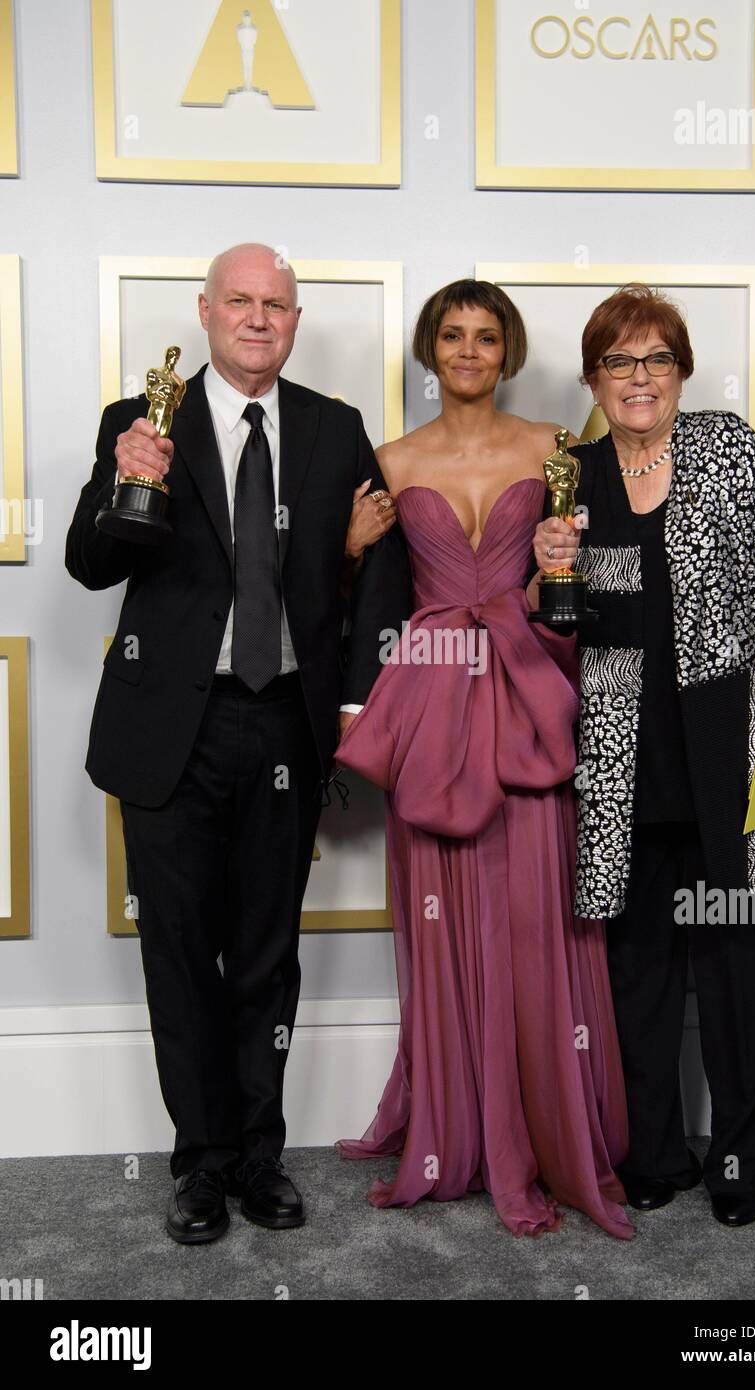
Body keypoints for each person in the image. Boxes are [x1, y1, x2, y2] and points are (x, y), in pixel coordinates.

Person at [66, 243, 410, 1244]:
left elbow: (375, 575)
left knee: (266, 953)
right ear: (206, 312)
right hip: (170, 723)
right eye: (240, 302)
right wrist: (128, 489)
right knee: (179, 951)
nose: (259, 318)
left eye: (277, 305)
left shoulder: (333, 429)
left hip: (282, 720)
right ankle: (199, 1164)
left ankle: (259, 1156)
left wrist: (353, 707)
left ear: (295, 321)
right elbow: (93, 563)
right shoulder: (139, 420)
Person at [333, 279, 636, 1239]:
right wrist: (345, 553)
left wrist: (752, 481)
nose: (469, 351)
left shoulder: (558, 449)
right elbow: (365, 599)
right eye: (453, 336)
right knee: (442, 908)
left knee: (535, 911)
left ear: (507, 352)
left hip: (530, 695)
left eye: (487, 336)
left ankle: (546, 1127)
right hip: (429, 699)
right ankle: (455, 1126)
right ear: (431, 351)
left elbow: (629, 530)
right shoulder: (389, 459)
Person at [533, 283, 755, 1228]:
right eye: (619, 361)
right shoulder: (569, 480)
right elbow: (561, 628)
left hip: (742, 747)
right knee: (639, 973)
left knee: (747, 966)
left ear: (683, 371)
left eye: (657, 358)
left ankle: (739, 1156)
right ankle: (652, 1151)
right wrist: (548, 570)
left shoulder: (731, 450)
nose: (639, 378)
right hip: (626, 764)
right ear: (592, 377)